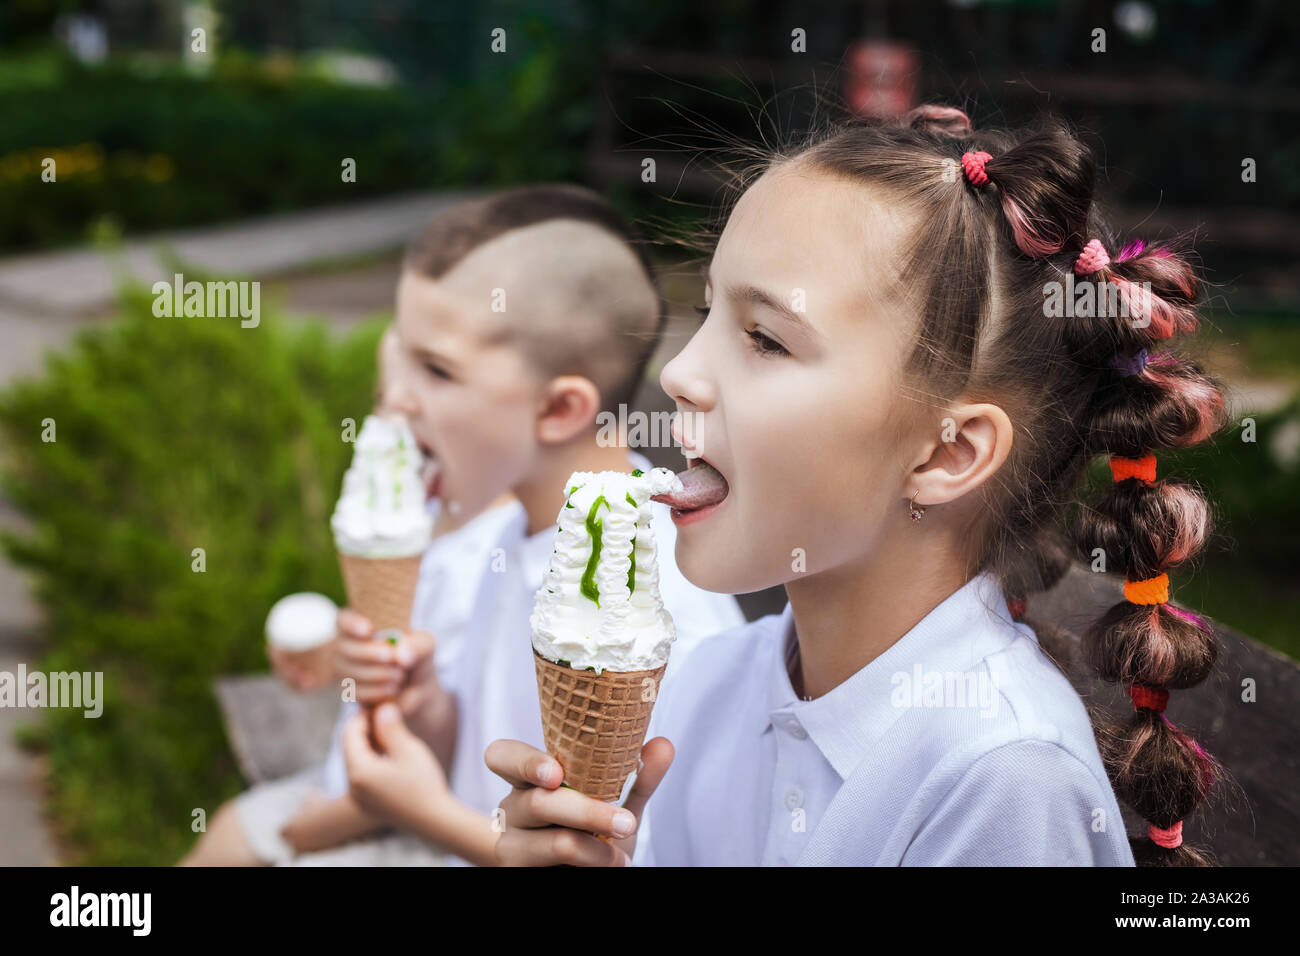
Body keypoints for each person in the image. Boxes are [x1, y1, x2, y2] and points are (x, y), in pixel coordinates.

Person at [357, 106, 1230, 866]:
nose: (685, 375)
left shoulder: (1002, 784)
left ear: (948, 453)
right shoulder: (714, 683)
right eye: (707, 314)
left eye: (766, 340)